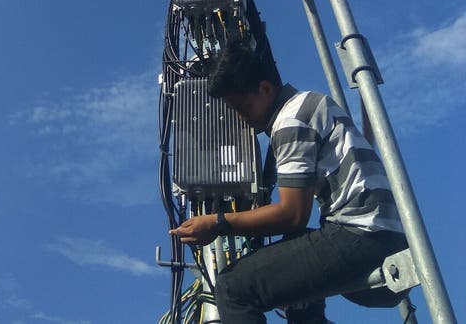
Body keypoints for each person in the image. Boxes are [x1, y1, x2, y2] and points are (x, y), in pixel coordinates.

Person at [170, 44, 409, 323]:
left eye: (243, 107)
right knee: (295, 254)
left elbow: (292, 215)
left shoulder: (290, 121)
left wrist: (217, 222)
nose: (241, 117)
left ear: (265, 89)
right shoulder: (310, 102)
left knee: (233, 287)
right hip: (386, 236)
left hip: (362, 235)